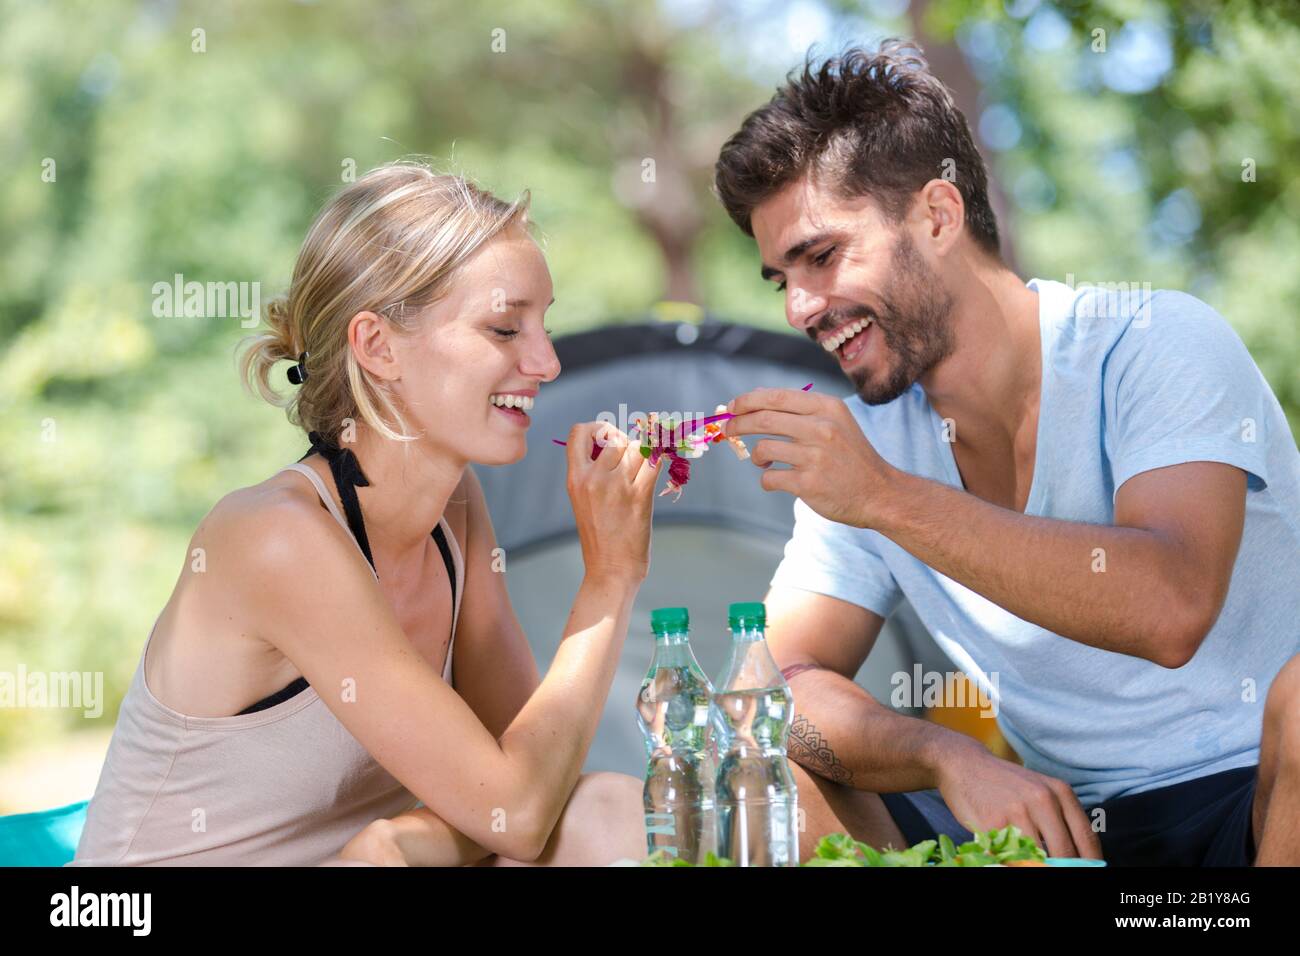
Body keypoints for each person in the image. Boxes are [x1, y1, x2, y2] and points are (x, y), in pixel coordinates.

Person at [712, 41, 1300, 866]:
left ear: (939, 217)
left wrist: (882, 496)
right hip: (1066, 836)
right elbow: (763, 686)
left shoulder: (1155, 342)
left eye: (822, 256)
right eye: (782, 279)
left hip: (1260, 804)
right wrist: (943, 756)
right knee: (763, 763)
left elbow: (1171, 607)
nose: (800, 308)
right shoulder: (873, 445)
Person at [70, 162, 660, 866]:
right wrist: (612, 576)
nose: (548, 362)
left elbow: (532, 778)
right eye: (505, 330)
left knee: (604, 810)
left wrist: (405, 839)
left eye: (544, 324)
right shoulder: (275, 539)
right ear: (377, 347)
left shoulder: (455, 508)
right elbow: (519, 813)